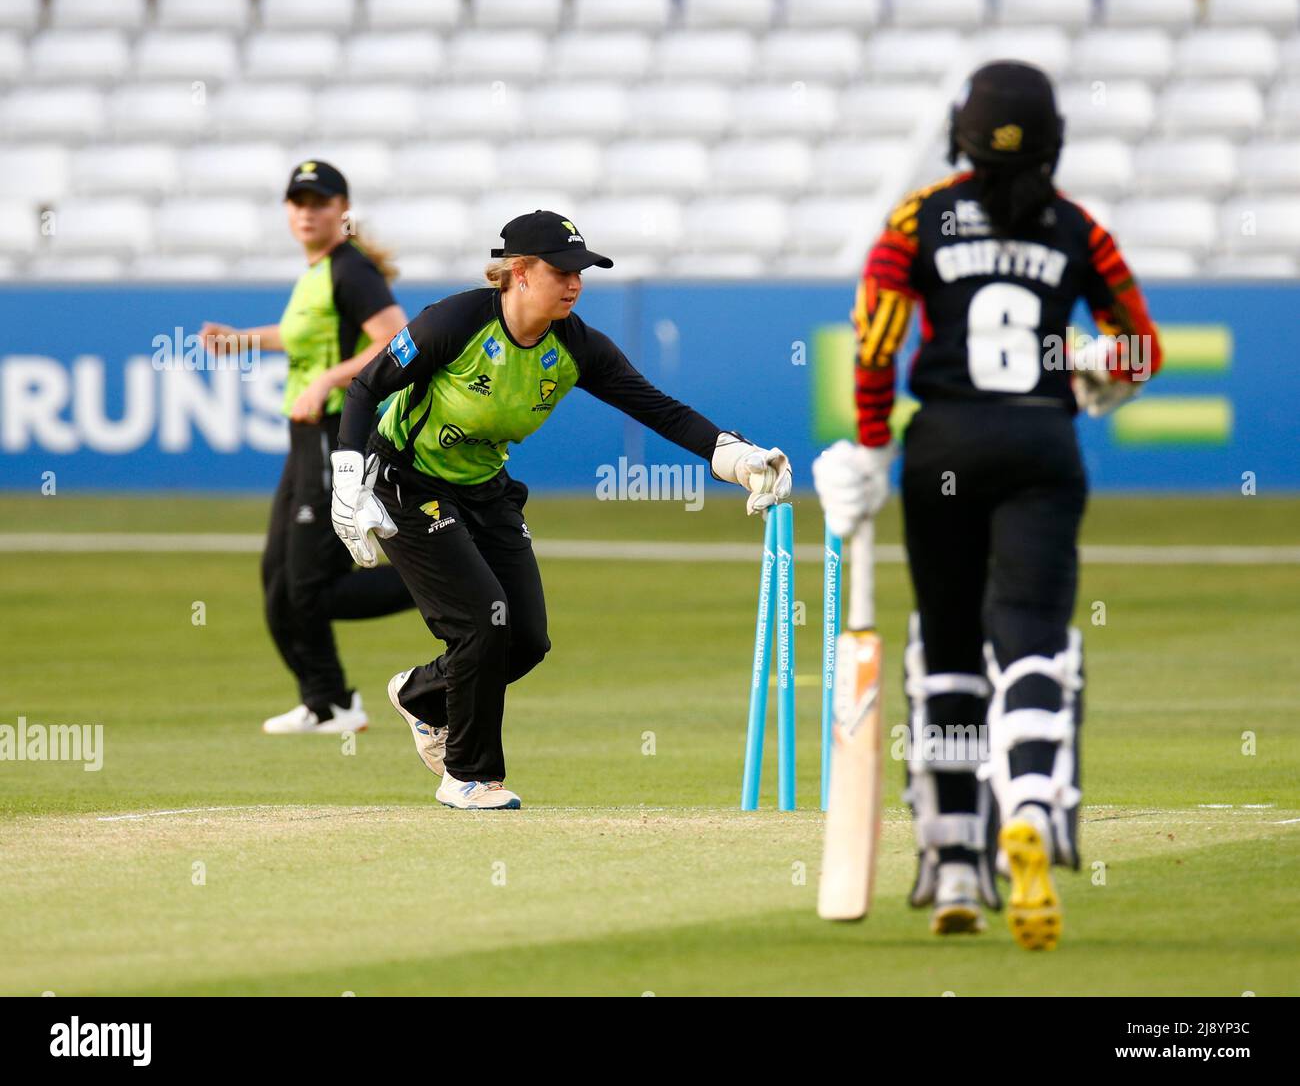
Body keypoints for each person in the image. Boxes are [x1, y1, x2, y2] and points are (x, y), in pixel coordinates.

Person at [814, 62, 1162, 950]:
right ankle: (1036, 805)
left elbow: (877, 336)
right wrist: (1094, 370)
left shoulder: (915, 218)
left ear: (960, 135)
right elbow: (1142, 348)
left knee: (952, 642)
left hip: (946, 448)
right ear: (1054, 139)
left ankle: (958, 856)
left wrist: (874, 443)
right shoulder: (1079, 227)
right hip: (1042, 445)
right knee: (1035, 633)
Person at [329, 210, 793, 809]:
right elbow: (367, 386)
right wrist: (347, 479)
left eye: (583, 271)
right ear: (518, 272)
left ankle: (421, 698)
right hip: (407, 482)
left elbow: (658, 408)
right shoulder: (457, 320)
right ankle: (468, 776)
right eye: (562, 270)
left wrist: (734, 456)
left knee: (523, 638)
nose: (575, 282)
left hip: (485, 486)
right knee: (481, 619)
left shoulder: (575, 347)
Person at [202, 160, 414, 734]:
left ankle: (441, 577)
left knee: (307, 588)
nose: (306, 212)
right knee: (277, 579)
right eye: (297, 201)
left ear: (342, 210)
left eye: (319, 202)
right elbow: (301, 338)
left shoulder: (352, 270)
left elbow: (398, 342)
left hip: (337, 433)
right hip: (306, 439)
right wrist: (243, 339)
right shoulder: (319, 271)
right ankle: (328, 704)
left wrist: (327, 381)